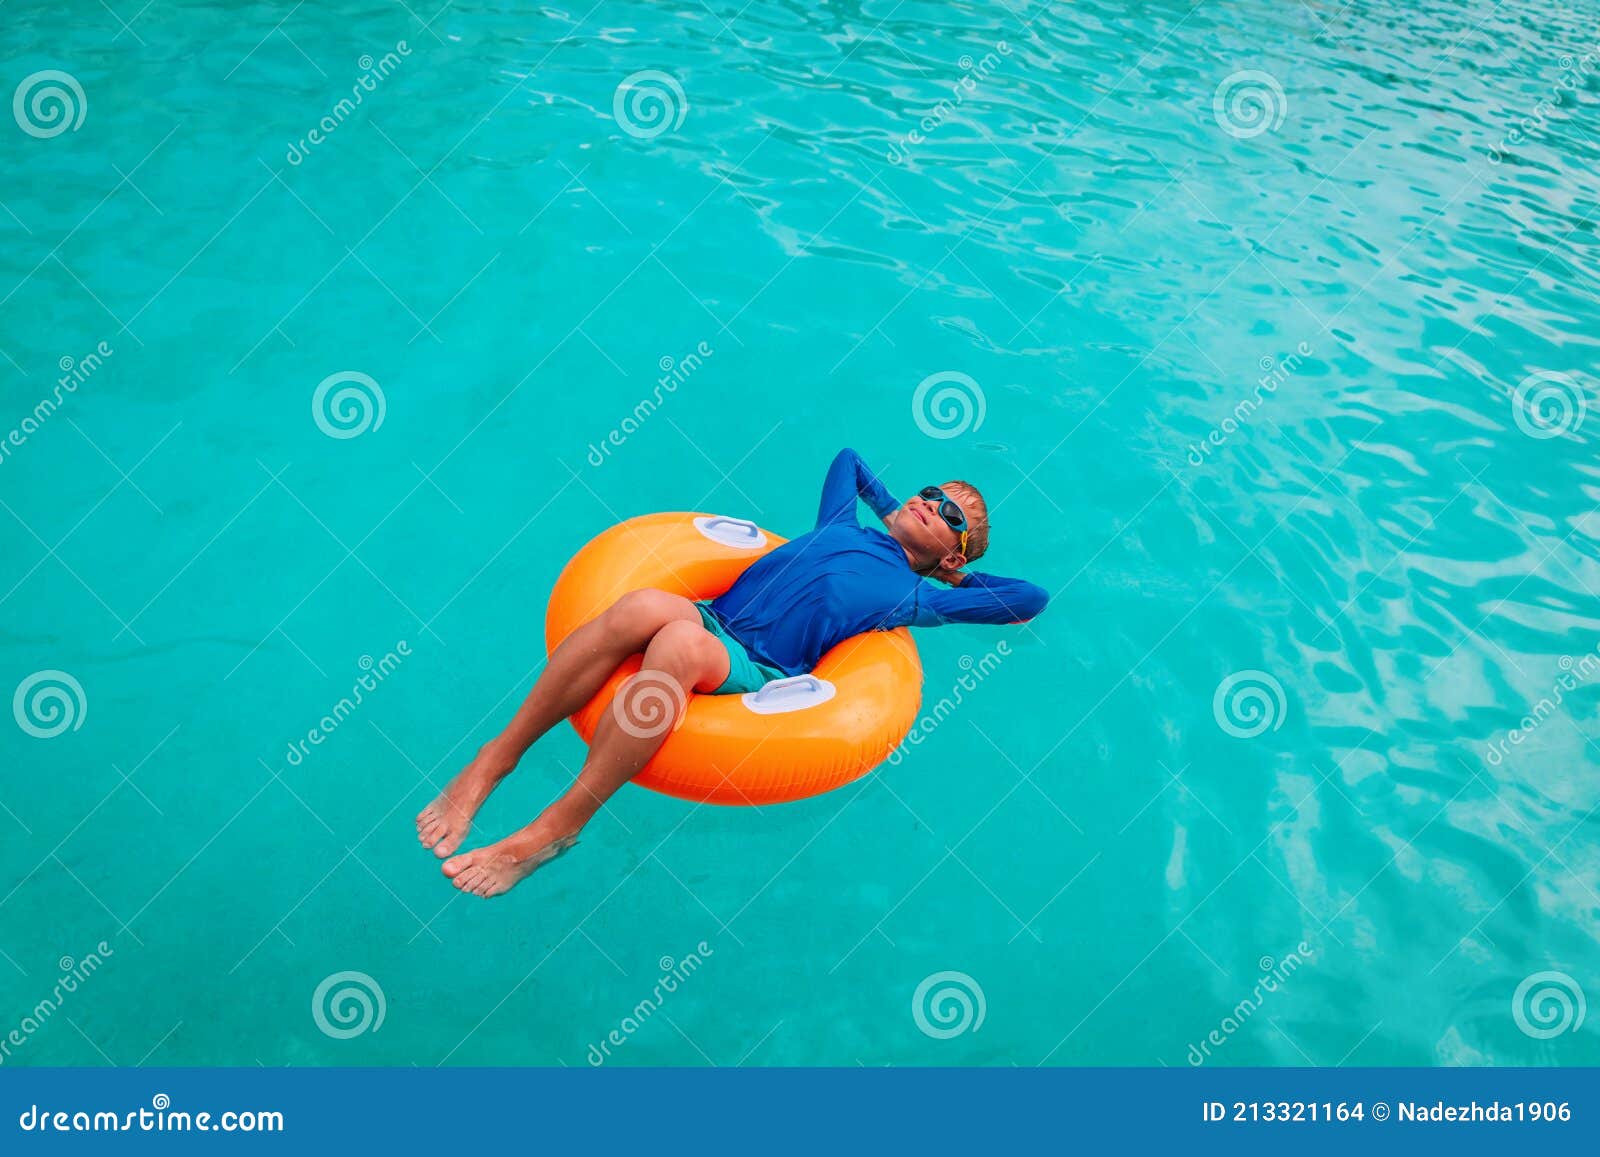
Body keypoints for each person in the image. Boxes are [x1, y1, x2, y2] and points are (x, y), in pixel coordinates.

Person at [416, 447, 1048, 897]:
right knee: (640, 607)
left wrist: (955, 575)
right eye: (931, 493)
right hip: (711, 612)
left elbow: (1029, 598)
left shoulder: (916, 599)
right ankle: (497, 757)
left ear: (954, 552)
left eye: (950, 516)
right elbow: (848, 460)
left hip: (758, 663)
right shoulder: (839, 525)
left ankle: (561, 825)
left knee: (681, 651)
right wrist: (890, 510)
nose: (931, 503)